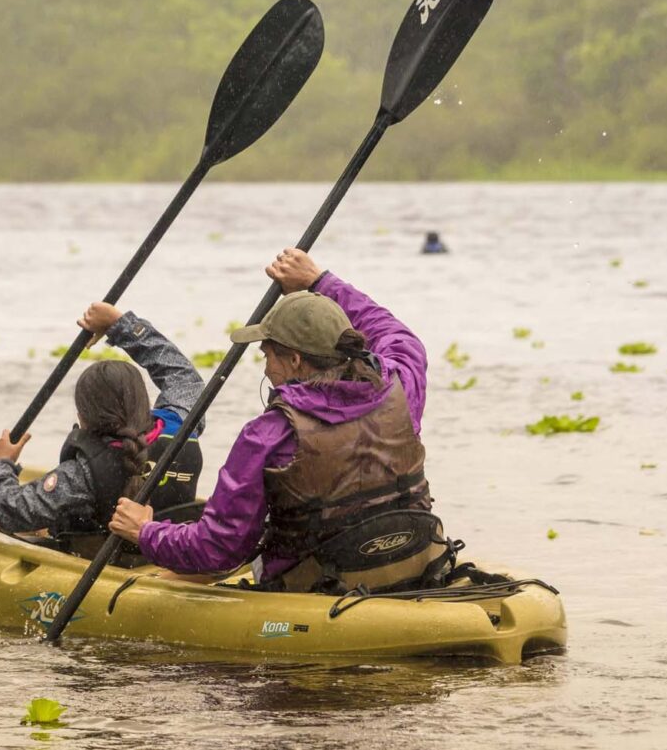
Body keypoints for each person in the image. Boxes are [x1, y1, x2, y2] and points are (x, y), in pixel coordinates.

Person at [108, 248, 455, 594]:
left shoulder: (269, 436)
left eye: (267, 354)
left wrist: (145, 531)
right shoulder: (400, 386)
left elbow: (217, 550)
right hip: (413, 562)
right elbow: (396, 334)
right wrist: (320, 282)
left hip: (322, 586)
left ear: (294, 359)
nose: (266, 368)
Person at [0, 302, 205, 540]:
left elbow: (9, 512)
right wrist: (119, 324)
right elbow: (183, 377)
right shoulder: (181, 426)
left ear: (83, 417)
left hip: (102, 559)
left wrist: (2, 464)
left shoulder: (81, 473)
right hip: (168, 548)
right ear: (142, 401)